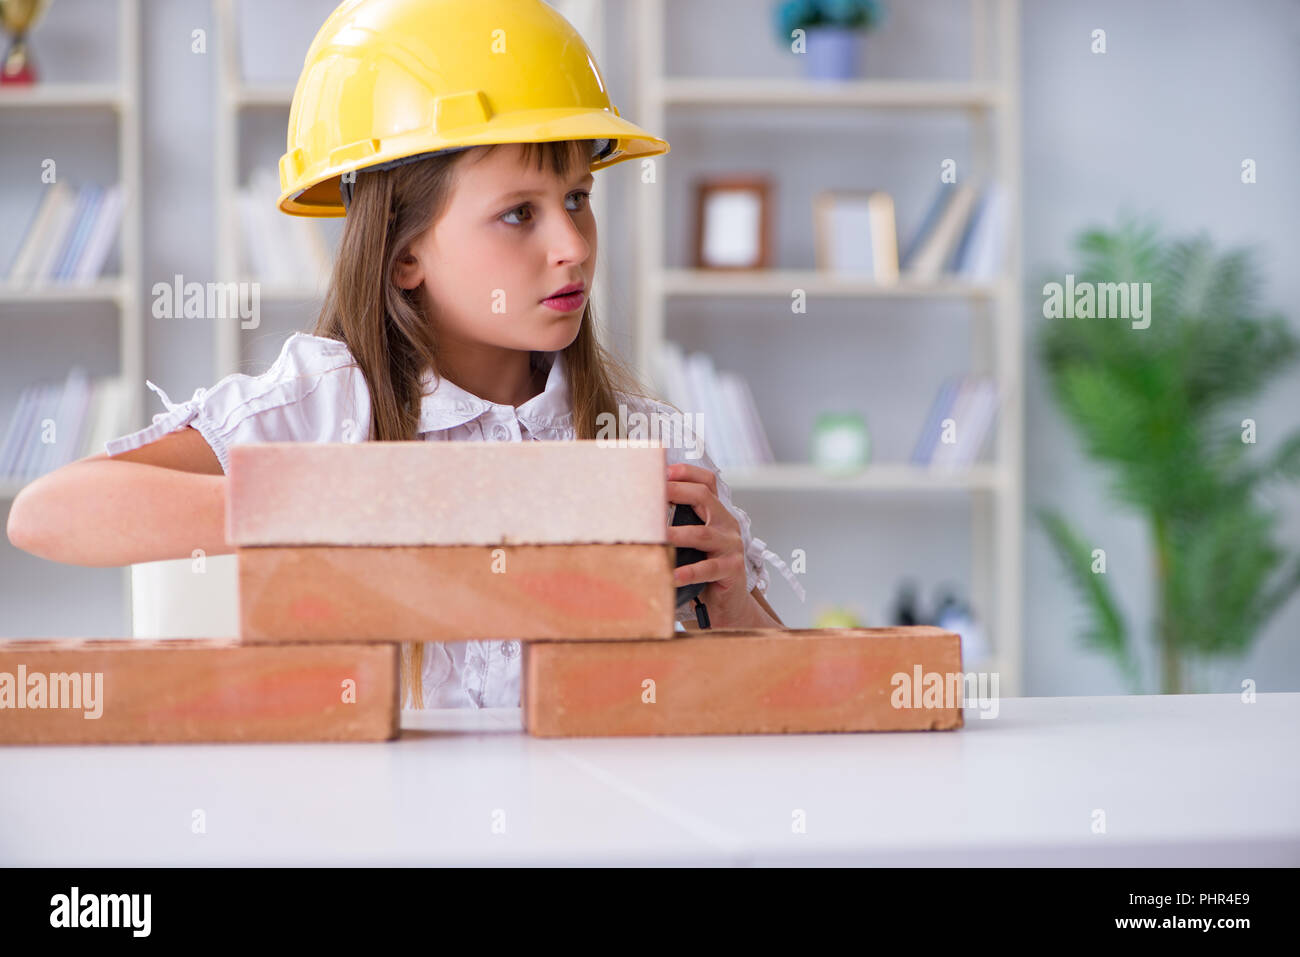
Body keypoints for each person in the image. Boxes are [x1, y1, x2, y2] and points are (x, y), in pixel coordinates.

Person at [6, 0, 804, 709]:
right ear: (402, 256)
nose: (572, 246)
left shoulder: (644, 442)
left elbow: (780, 706)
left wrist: (734, 606)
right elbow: (48, 513)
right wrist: (346, 504)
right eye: (518, 214)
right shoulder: (324, 405)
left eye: (576, 200)